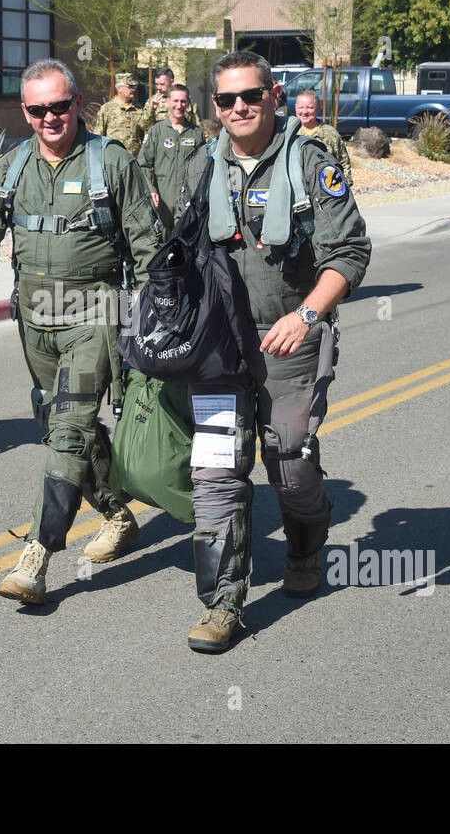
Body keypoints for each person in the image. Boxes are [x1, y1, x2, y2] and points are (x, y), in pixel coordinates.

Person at [180, 50, 370, 652]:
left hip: (289, 338)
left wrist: (308, 312)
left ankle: (307, 545)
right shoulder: (198, 168)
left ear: (275, 97)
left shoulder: (312, 162)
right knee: (214, 472)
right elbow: (175, 252)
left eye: (251, 96)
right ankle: (223, 604)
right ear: (215, 107)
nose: (239, 108)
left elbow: (351, 253)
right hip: (217, 349)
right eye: (228, 99)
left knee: (288, 462)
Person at [0, 58, 161, 604]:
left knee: (68, 430)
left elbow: (146, 248)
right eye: (38, 109)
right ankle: (117, 514)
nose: (51, 117)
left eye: (60, 106)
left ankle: (38, 555)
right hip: (35, 322)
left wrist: (149, 321)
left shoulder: (111, 162)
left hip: (94, 316)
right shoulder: (9, 169)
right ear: (25, 111)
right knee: (64, 427)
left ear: (78, 102)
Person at [138, 83, 206, 236]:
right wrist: (151, 189)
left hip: (187, 200)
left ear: (188, 103)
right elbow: (143, 164)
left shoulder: (197, 134)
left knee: (185, 241)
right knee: (162, 243)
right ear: (168, 101)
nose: (179, 105)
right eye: (175, 101)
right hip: (162, 199)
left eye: (183, 101)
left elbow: (203, 168)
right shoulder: (156, 131)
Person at [295, 89, 352, 186]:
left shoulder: (330, 134)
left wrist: (344, 187)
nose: (304, 112)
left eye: (309, 107)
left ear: (318, 108)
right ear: (295, 108)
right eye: (301, 107)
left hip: (326, 189)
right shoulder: (290, 133)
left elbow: (343, 162)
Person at [95, 72, 154, 156]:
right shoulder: (107, 109)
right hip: (114, 158)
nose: (133, 89)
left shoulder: (138, 108)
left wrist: (151, 110)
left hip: (134, 158)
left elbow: (145, 128)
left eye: (134, 87)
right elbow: (98, 135)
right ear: (119, 89)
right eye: (130, 87)